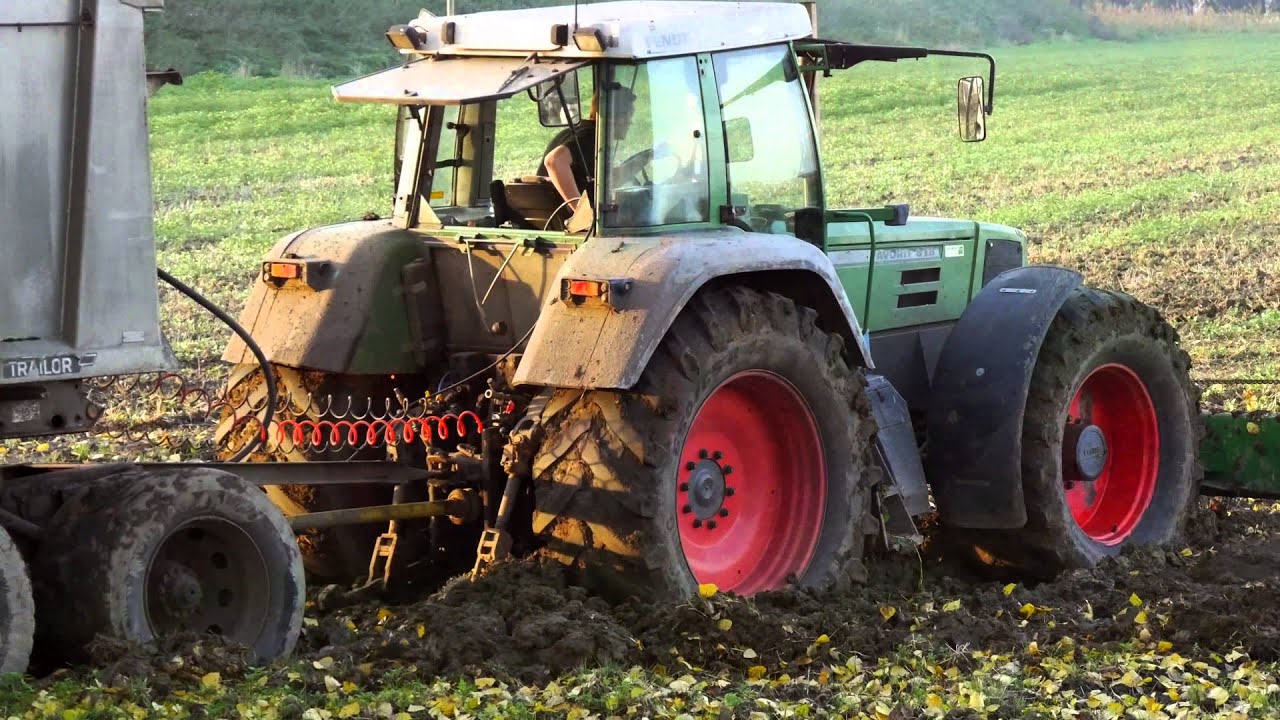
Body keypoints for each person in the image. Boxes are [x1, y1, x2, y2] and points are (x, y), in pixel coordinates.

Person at [538, 87, 634, 213]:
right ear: (615, 117)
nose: (630, 122)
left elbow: (610, 180)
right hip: (571, 226)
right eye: (629, 116)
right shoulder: (591, 136)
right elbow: (554, 161)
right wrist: (582, 214)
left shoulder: (574, 132)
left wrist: (646, 158)